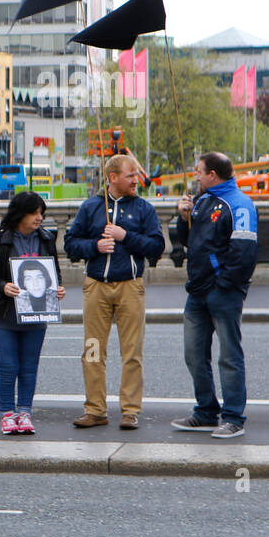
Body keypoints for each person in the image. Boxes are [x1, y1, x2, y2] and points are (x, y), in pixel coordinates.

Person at [63, 153, 165, 429]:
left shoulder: (144, 209)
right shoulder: (91, 207)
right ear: (113, 178)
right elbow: (70, 244)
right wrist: (94, 247)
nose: (136, 180)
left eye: (136, 175)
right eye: (130, 175)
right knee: (93, 350)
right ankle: (95, 409)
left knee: (132, 351)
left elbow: (157, 247)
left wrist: (125, 237)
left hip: (130, 286)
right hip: (96, 286)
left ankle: (130, 410)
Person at [170, 152, 258, 439]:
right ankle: (206, 411)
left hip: (222, 293)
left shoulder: (239, 204)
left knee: (229, 356)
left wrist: (222, 286)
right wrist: (184, 219)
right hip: (197, 291)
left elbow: (244, 254)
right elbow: (190, 242)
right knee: (193, 355)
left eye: (199, 171)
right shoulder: (203, 201)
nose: (195, 175)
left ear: (212, 175)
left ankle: (233, 418)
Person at [0, 191, 66, 435]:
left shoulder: (46, 239)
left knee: (29, 365)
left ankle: (24, 411)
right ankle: (7, 412)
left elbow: (54, 272)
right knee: (8, 365)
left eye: (41, 214)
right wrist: (3, 286)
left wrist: (57, 289)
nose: (39, 218)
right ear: (20, 214)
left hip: (36, 314)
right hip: (3, 313)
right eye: (34, 213)